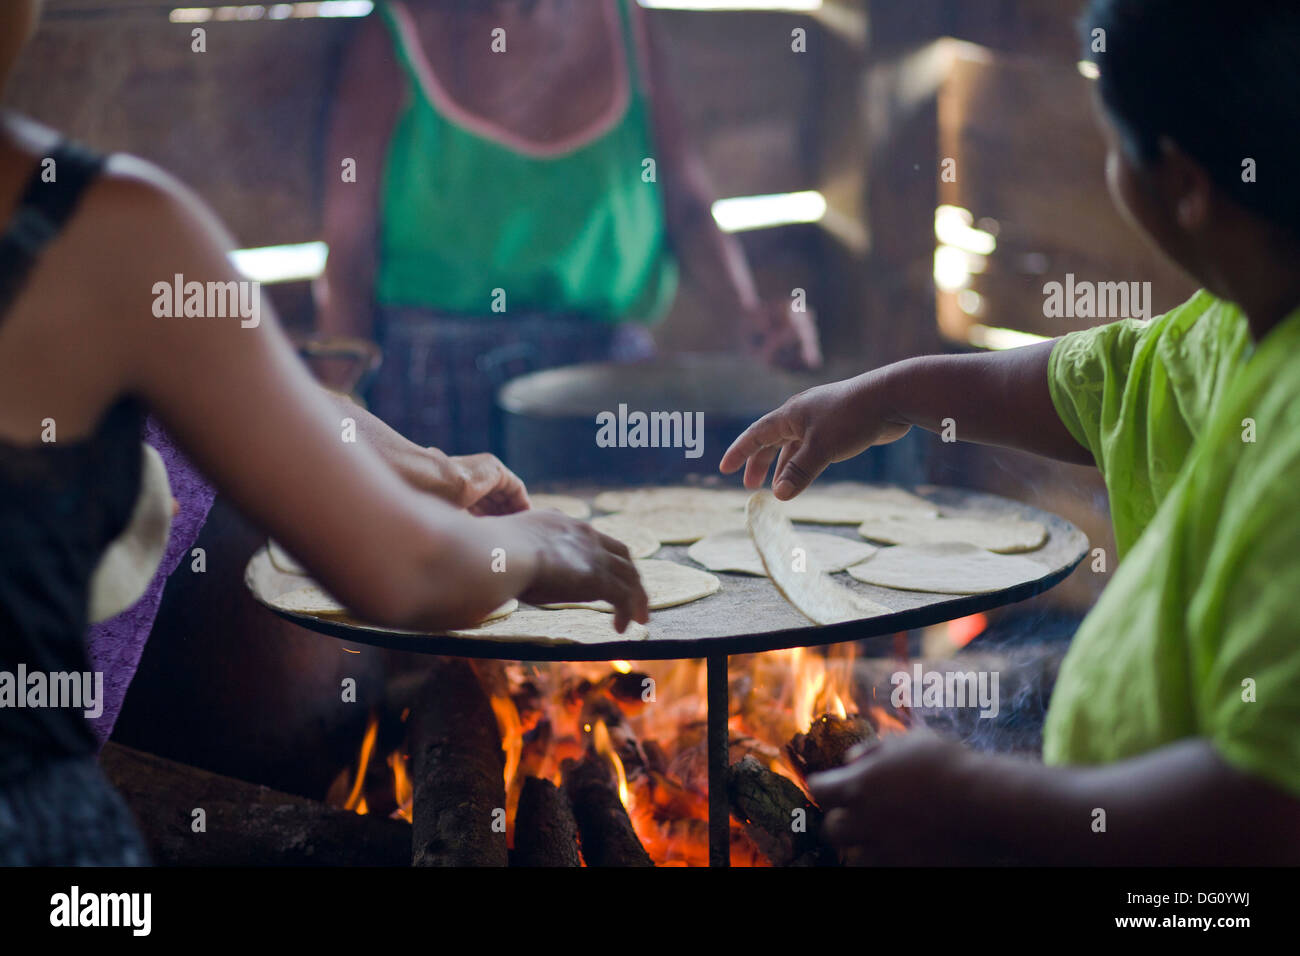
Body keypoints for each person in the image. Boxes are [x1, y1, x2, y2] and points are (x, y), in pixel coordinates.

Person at [0, 0, 647, 865]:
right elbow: (405, 575)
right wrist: (533, 548)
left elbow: (207, 389)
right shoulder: (103, 227)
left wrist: (419, 465)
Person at [720, 0, 1300, 864]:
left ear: (1180, 183)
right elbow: (1094, 385)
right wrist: (883, 397)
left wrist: (984, 805)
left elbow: (1269, 807)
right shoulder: (1245, 322)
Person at [318, 0, 821, 454]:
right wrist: (345, 415)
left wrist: (748, 315)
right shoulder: (395, 36)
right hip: (435, 393)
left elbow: (686, 208)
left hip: (603, 387)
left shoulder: (626, 24)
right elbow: (347, 264)